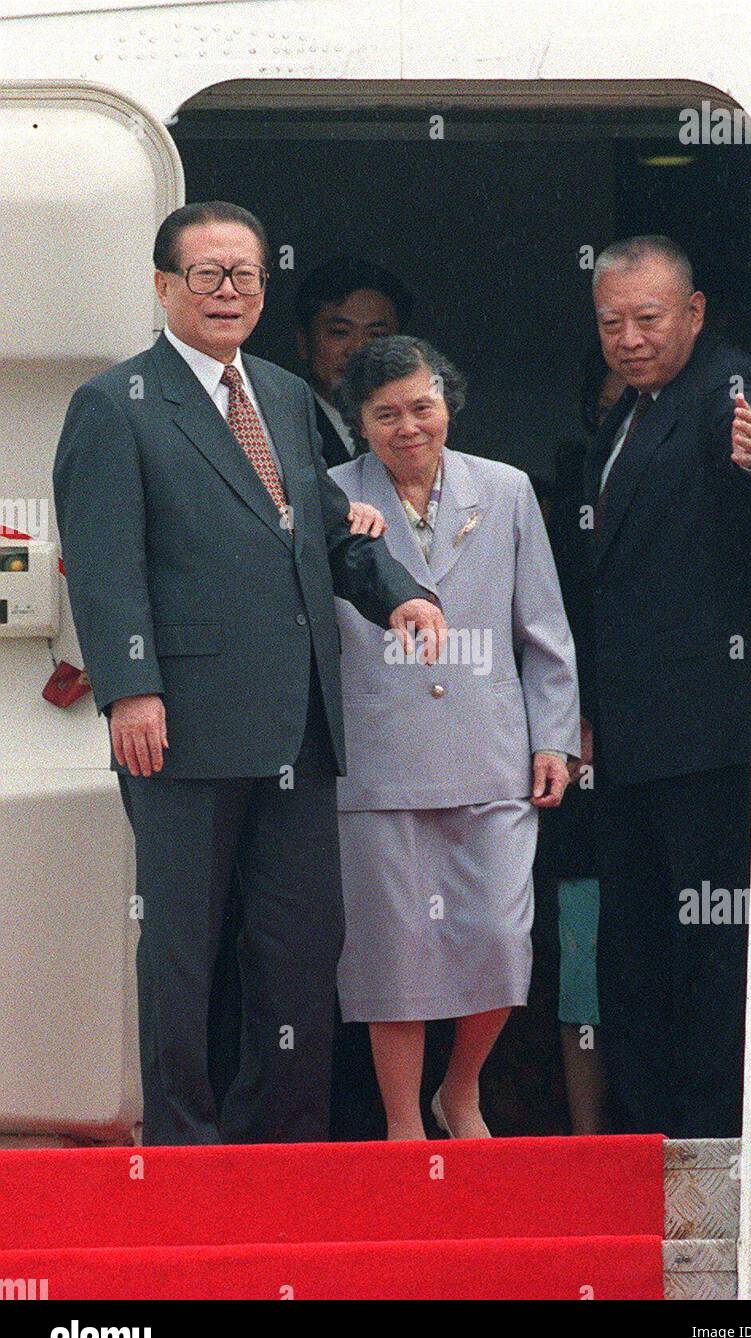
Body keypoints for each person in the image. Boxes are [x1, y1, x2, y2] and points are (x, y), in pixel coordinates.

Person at [53, 202, 445, 1146]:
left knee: (302, 953)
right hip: (181, 724)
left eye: (247, 276)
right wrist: (130, 687)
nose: (230, 292)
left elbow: (320, 529)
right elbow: (105, 564)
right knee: (185, 954)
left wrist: (398, 593)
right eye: (207, 275)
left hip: (299, 723)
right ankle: (187, 1149)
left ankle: (281, 1146)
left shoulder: (279, 392)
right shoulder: (117, 403)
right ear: (161, 286)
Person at [330, 335, 581, 1141]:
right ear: (358, 424)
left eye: (422, 406)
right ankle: (404, 1125)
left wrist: (554, 738)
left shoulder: (504, 491)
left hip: (491, 753)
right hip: (377, 760)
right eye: (386, 414)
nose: (409, 426)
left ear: (448, 402)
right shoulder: (331, 499)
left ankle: (460, 1092)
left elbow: (543, 627)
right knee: (391, 957)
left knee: (501, 942)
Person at [580, 235, 751, 1139]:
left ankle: (703, 1131)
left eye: (649, 319)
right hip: (630, 741)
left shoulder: (721, 388)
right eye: (611, 321)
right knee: (633, 946)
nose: (628, 338)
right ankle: (642, 1127)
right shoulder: (624, 411)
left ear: (694, 314)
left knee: (706, 943)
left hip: (703, 737)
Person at [539, 353, 625, 1133]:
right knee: (579, 951)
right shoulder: (560, 506)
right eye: (611, 405)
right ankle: (584, 1134)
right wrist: (570, 717)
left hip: (667, 744)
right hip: (574, 757)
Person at [294, 256, 412, 467]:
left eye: (377, 335)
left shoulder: (419, 427)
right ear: (304, 342)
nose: (358, 350)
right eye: (340, 333)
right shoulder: (282, 426)